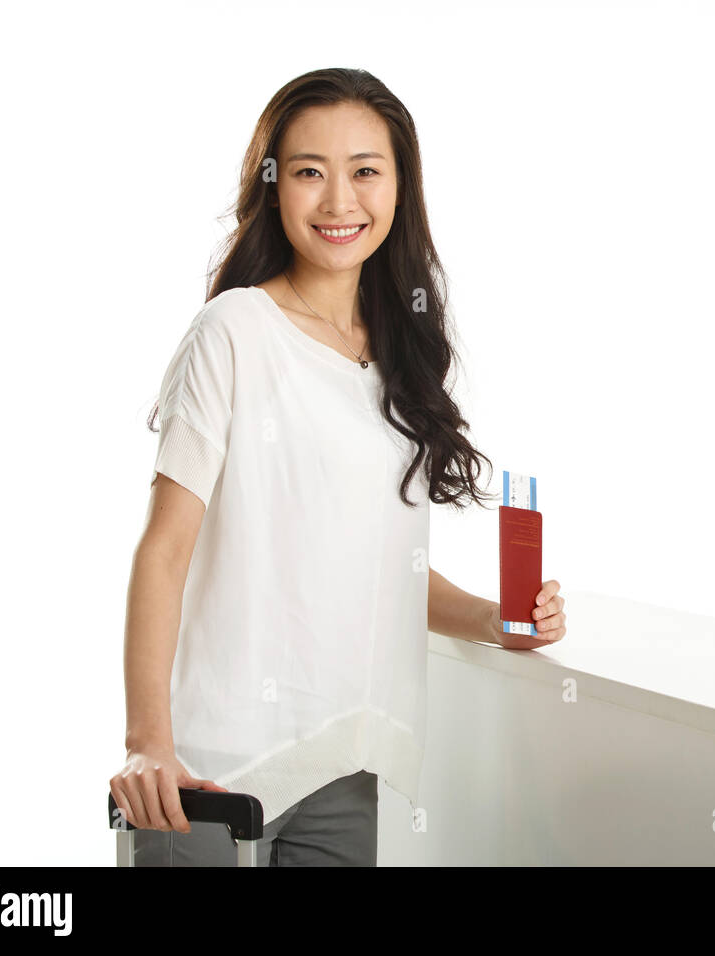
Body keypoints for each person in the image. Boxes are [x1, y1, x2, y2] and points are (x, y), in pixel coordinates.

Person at [109, 68, 567, 866]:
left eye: (365, 171)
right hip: (214, 771)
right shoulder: (234, 331)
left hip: (348, 766)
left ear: (399, 187)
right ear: (273, 186)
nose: (338, 201)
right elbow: (164, 548)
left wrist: (497, 621)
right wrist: (148, 740)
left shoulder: (400, 361)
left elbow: (386, 568)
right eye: (309, 172)